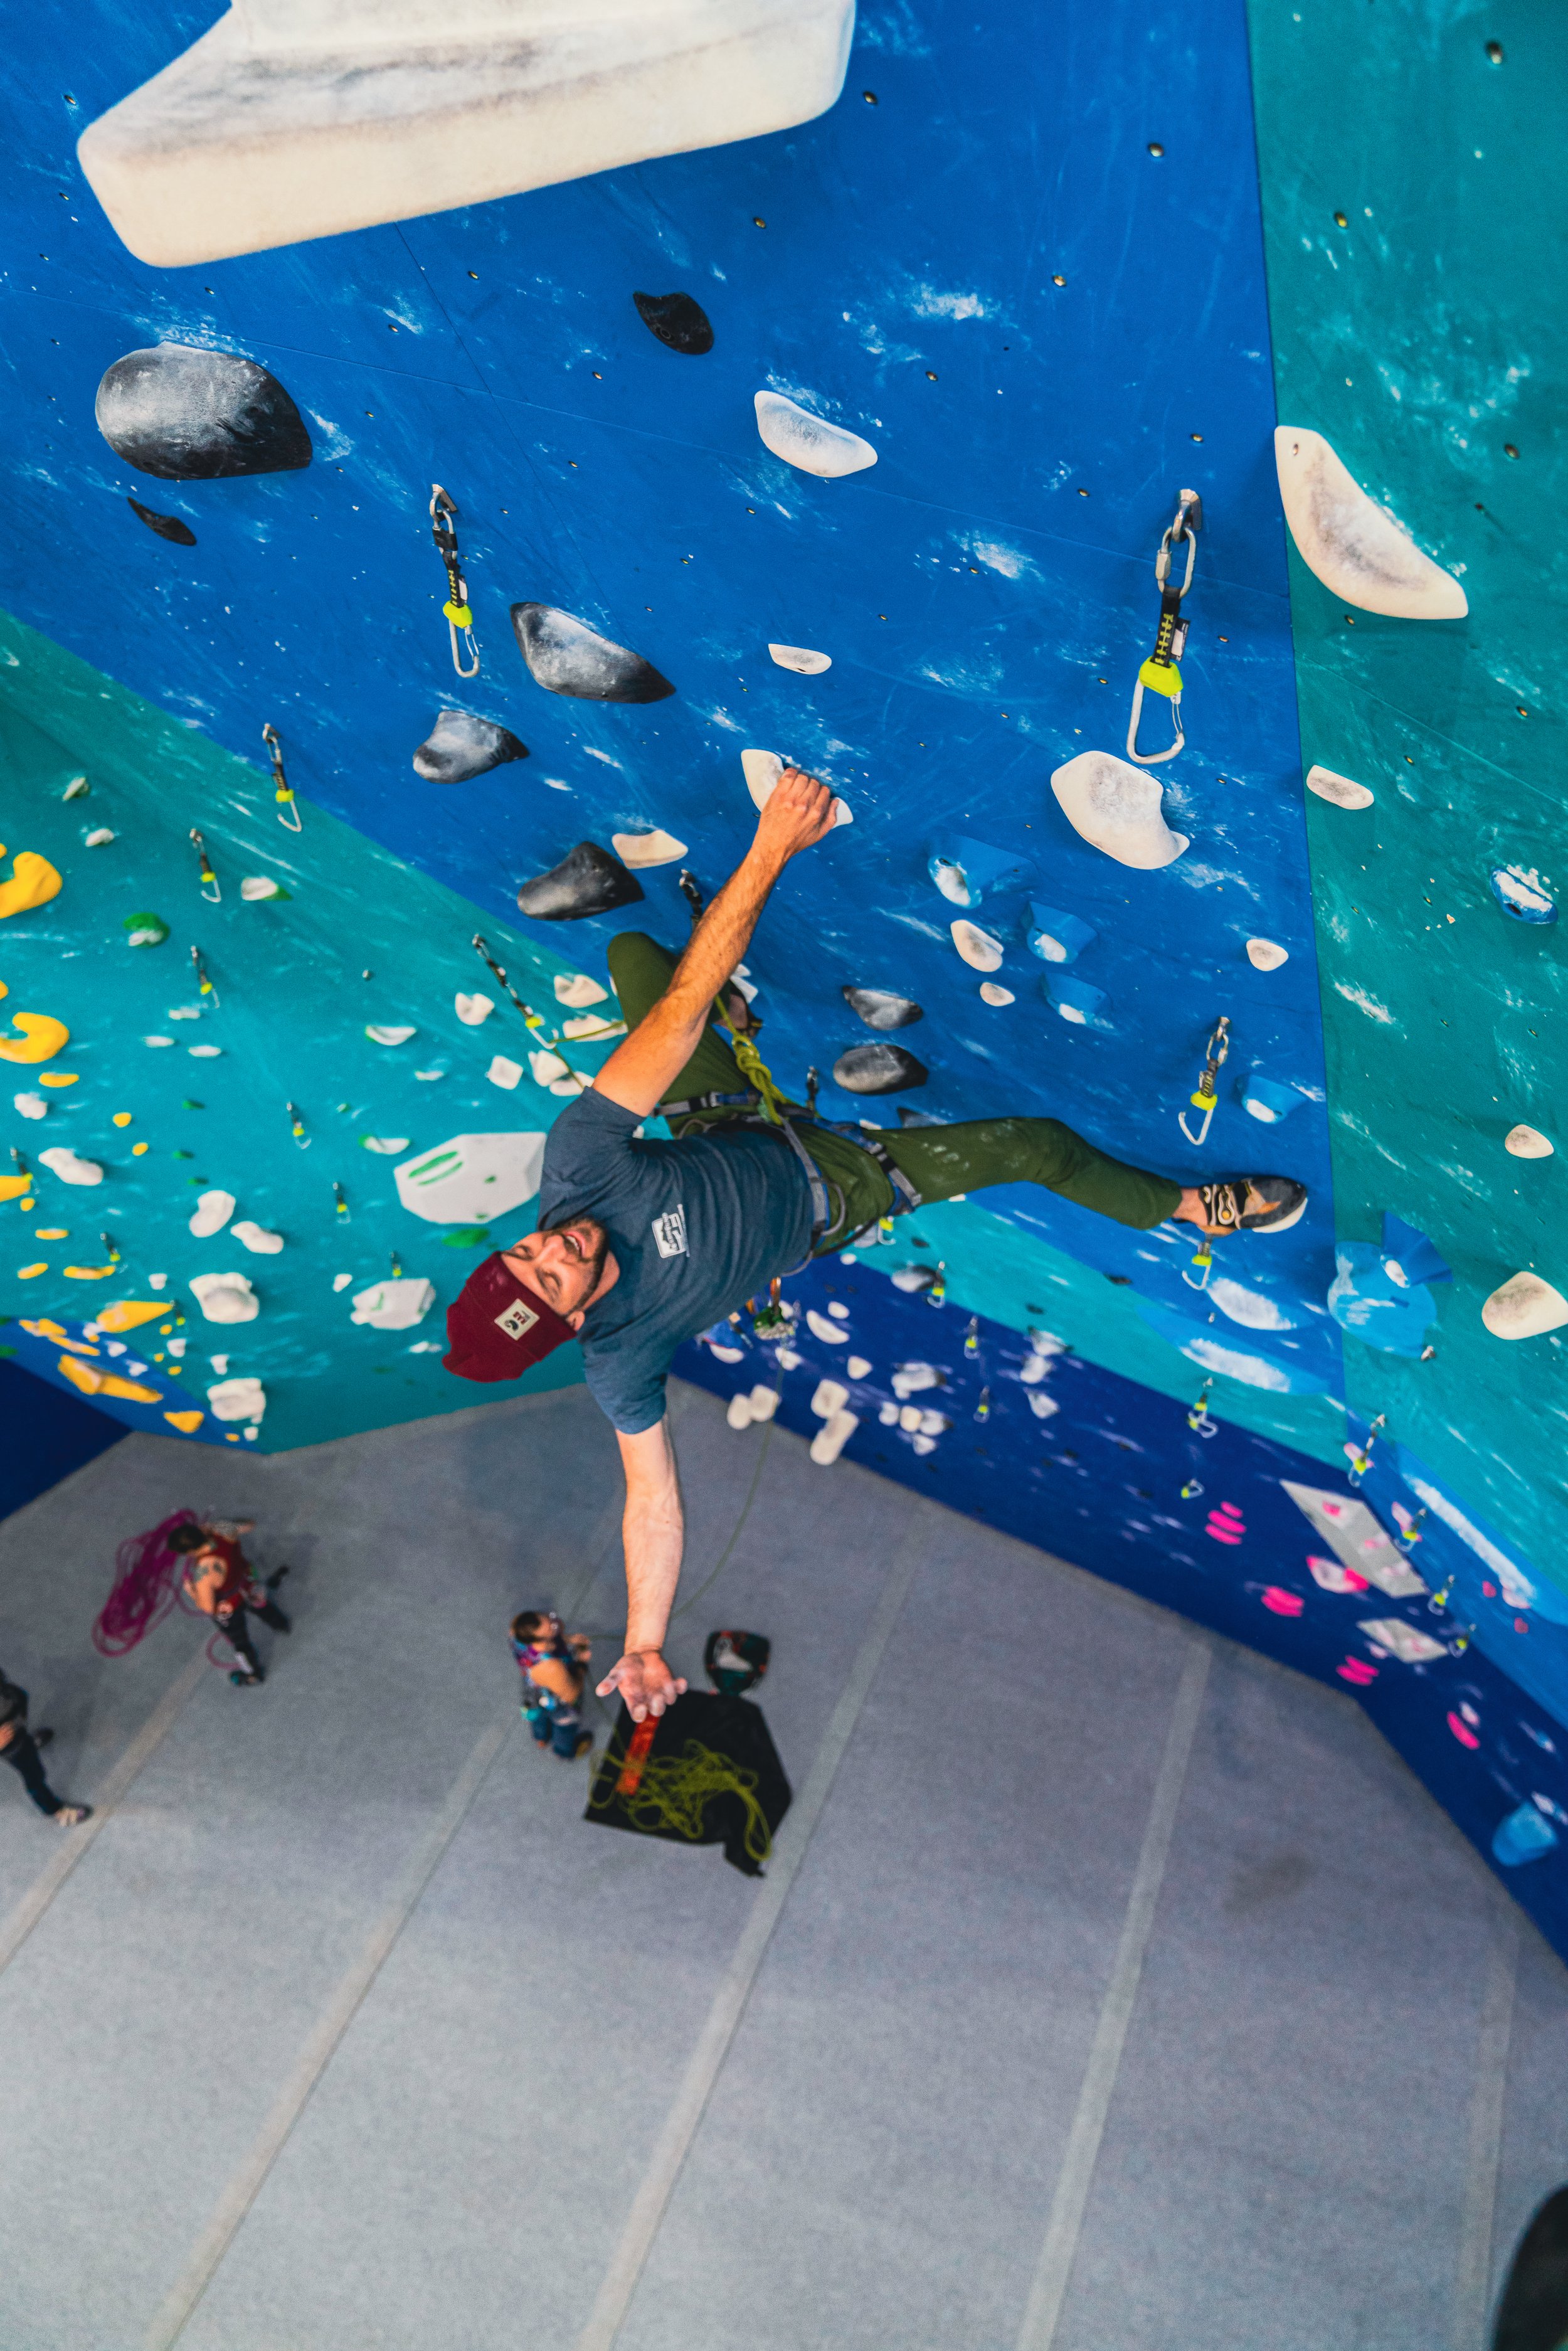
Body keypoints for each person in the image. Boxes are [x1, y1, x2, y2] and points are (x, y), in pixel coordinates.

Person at [445, 768, 1308, 1725]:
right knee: (1037, 1146)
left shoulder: (578, 1163)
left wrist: (764, 864)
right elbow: (650, 1501)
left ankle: (732, 1024)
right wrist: (644, 1639)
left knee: (636, 957)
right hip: (839, 1187)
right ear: (574, 1322)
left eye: (523, 1252)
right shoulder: (623, 1359)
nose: (555, 1246)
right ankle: (1187, 1208)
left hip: (718, 1122)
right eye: (552, 1278)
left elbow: (679, 1009)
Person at [166, 1519, 290, 1686]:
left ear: (190, 1551)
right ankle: (281, 1624)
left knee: (240, 1642)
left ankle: (253, 1675)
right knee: (260, 1605)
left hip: (229, 1606)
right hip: (246, 1582)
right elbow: (249, 1525)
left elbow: (208, 1607)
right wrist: (215, 1525)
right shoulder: (223, 1533)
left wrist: (192, 1590)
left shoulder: (205, 1574)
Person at [0, 1668, 91, 1825]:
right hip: (11, 1744)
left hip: (10, 1712)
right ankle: (54, 1809)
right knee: (34, 1774)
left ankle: (29, 1743)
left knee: (21, 1730)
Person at [509, 1610, 594, 1761]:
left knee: (539, 1717)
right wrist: (581, 1663)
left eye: (549, 1617)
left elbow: (550, 1637)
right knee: (564, 1726)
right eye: (552, 1628)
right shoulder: (552, 1667)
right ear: (540, 1640)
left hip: (533, 1691)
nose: (556, 1623)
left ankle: (541, 1738)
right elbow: (571, 1694)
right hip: (556, 1701)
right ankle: (563, 1751)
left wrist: (567, 1639)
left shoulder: (517, 1630)